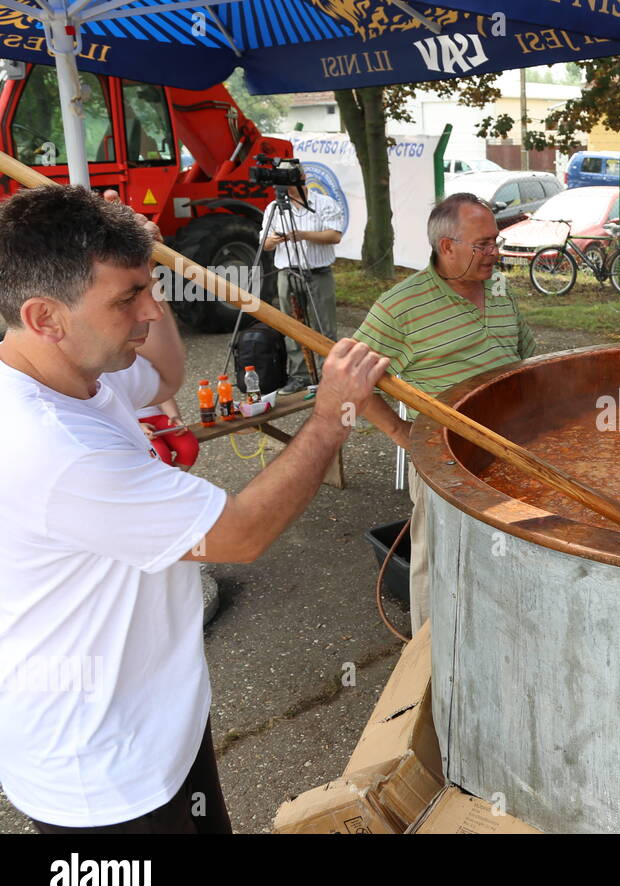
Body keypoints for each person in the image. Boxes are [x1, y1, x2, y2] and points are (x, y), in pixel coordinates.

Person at [0, 184, 389, 833]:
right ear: (45, 317)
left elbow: (168, 374)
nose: (153, 309)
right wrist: (328, 416)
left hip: (156, 724)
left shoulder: (73, 370)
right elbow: (237, 534)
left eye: (152, 285)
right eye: (129, 297)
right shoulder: (55, 449)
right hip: (106, 775)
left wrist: (145, 261)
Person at [356, 192, 537, 634]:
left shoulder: (498, 290)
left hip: (513, 449)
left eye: (497, 241)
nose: (495, 253)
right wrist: (402, 432)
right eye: (484, 245)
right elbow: (348, 383)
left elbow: (528, 360)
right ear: (447, 247)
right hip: (446, 458)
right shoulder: (400, 308)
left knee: (511, 548)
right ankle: (428, 662)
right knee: (435, 560)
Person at [261, 179, 345, 393]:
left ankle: (329, 376)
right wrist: (275, 240)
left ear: (299, 180)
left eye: (284, 182)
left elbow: (335, 236)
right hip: (287, 273)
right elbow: (264, 244)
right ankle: (300, 376)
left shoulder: (324, 203)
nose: (278, 187)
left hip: (318, 273)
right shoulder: (274, 207)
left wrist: (303, 235)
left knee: (324, 327)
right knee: (291, 327)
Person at [138, 395, 200, 470]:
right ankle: (165, 479)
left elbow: (163, 396)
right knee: (160, 456)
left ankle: (172, 478)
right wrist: (137, 426)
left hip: (158, 417)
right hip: (131, 425)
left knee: (189, 447)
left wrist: (174, 416)